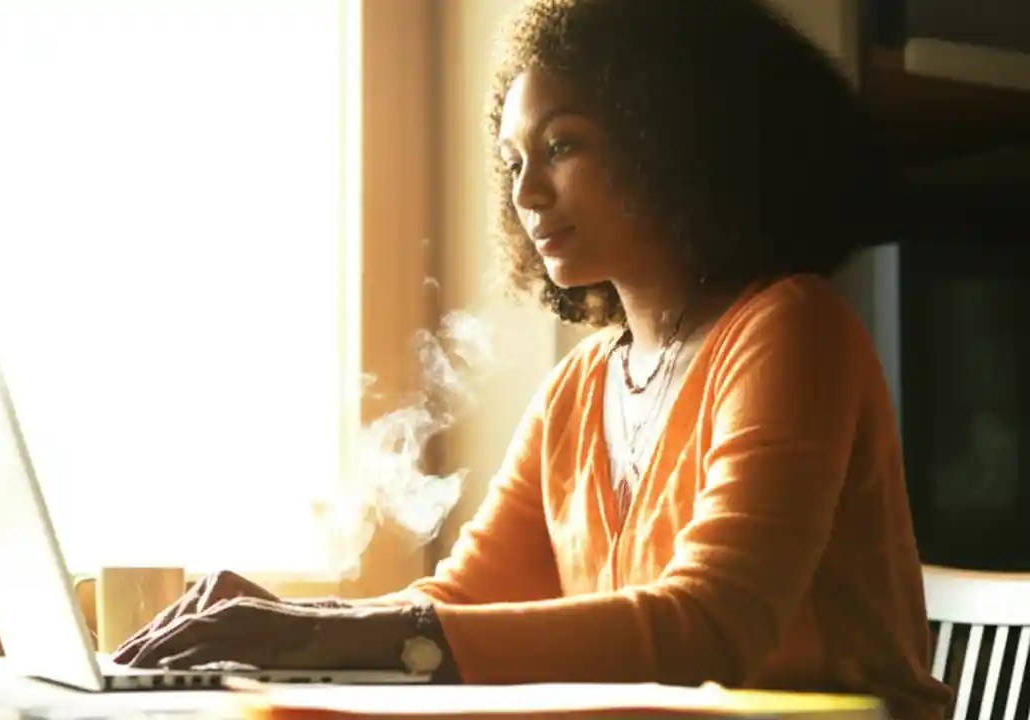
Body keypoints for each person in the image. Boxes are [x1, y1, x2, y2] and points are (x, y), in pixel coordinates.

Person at [113, 1, 952, 717]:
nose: (524, 194)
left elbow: (711, 628)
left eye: (561, 147)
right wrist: (297, 618)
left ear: (676, 135)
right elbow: (463, 600)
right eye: (514, 161)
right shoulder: (582, 387)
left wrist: (315, 635)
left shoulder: (791, 329)